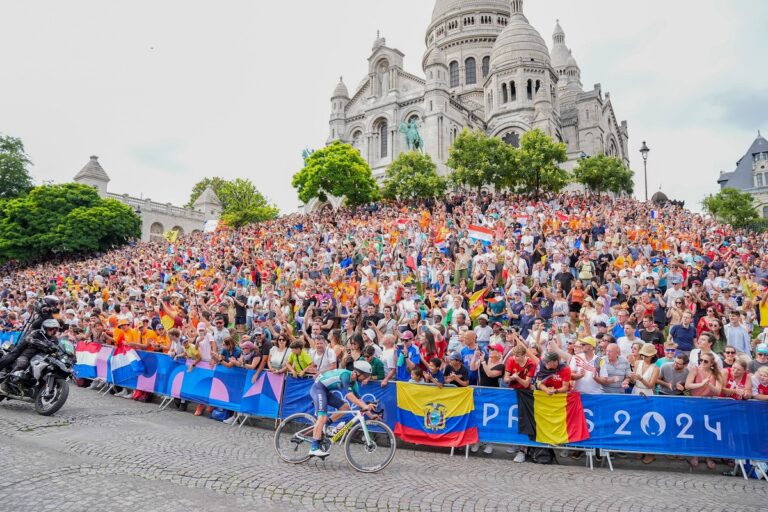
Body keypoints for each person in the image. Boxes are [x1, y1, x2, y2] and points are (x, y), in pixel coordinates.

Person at [308, 361, 374, 457]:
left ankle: (326, 424)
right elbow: (349, 396)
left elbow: (360, 401)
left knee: (345, 407)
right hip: (318, 389)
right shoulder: (345, 375)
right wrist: (364, 406)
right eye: (365, 375)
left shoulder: (354, 384)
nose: (366, 378)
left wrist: (371, 416)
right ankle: (313, 448)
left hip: (326, 391)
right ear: (358, 372)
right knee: (322, 417)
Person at [0, 318, 61, 391]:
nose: (53, 332)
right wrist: (31, 340)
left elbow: (58, 348)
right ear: (45, 328)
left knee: (48, 370)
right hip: (27, 356)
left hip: (41, 359)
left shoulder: (54, 339)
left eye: (55, 330)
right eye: (51, 329)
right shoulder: (37, 333)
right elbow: (28, 338)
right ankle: (6, 383)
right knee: (22, 364)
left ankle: (40, 391)